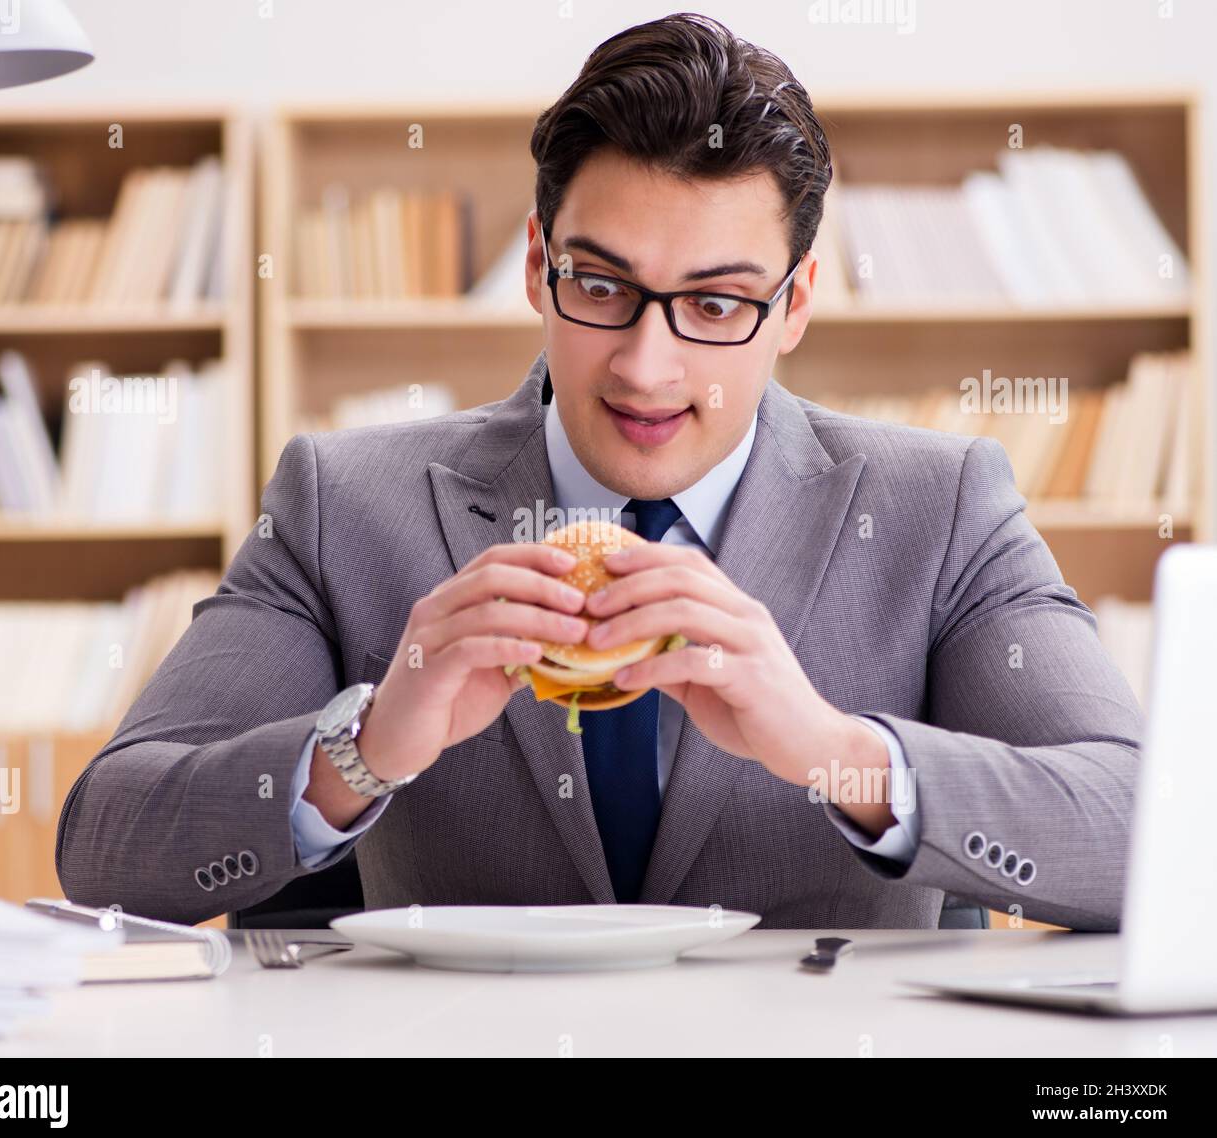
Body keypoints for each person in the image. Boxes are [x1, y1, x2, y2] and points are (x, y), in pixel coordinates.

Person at [56, 12, 1141, 930]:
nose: (644, 364)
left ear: (795, 303)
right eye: (602, 285)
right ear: (538, 263)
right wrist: (370, 742)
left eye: (715, 303)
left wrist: (831, 750)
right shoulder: (346, 505)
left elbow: (1146, 825)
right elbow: (106, 842)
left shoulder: (937, 507)